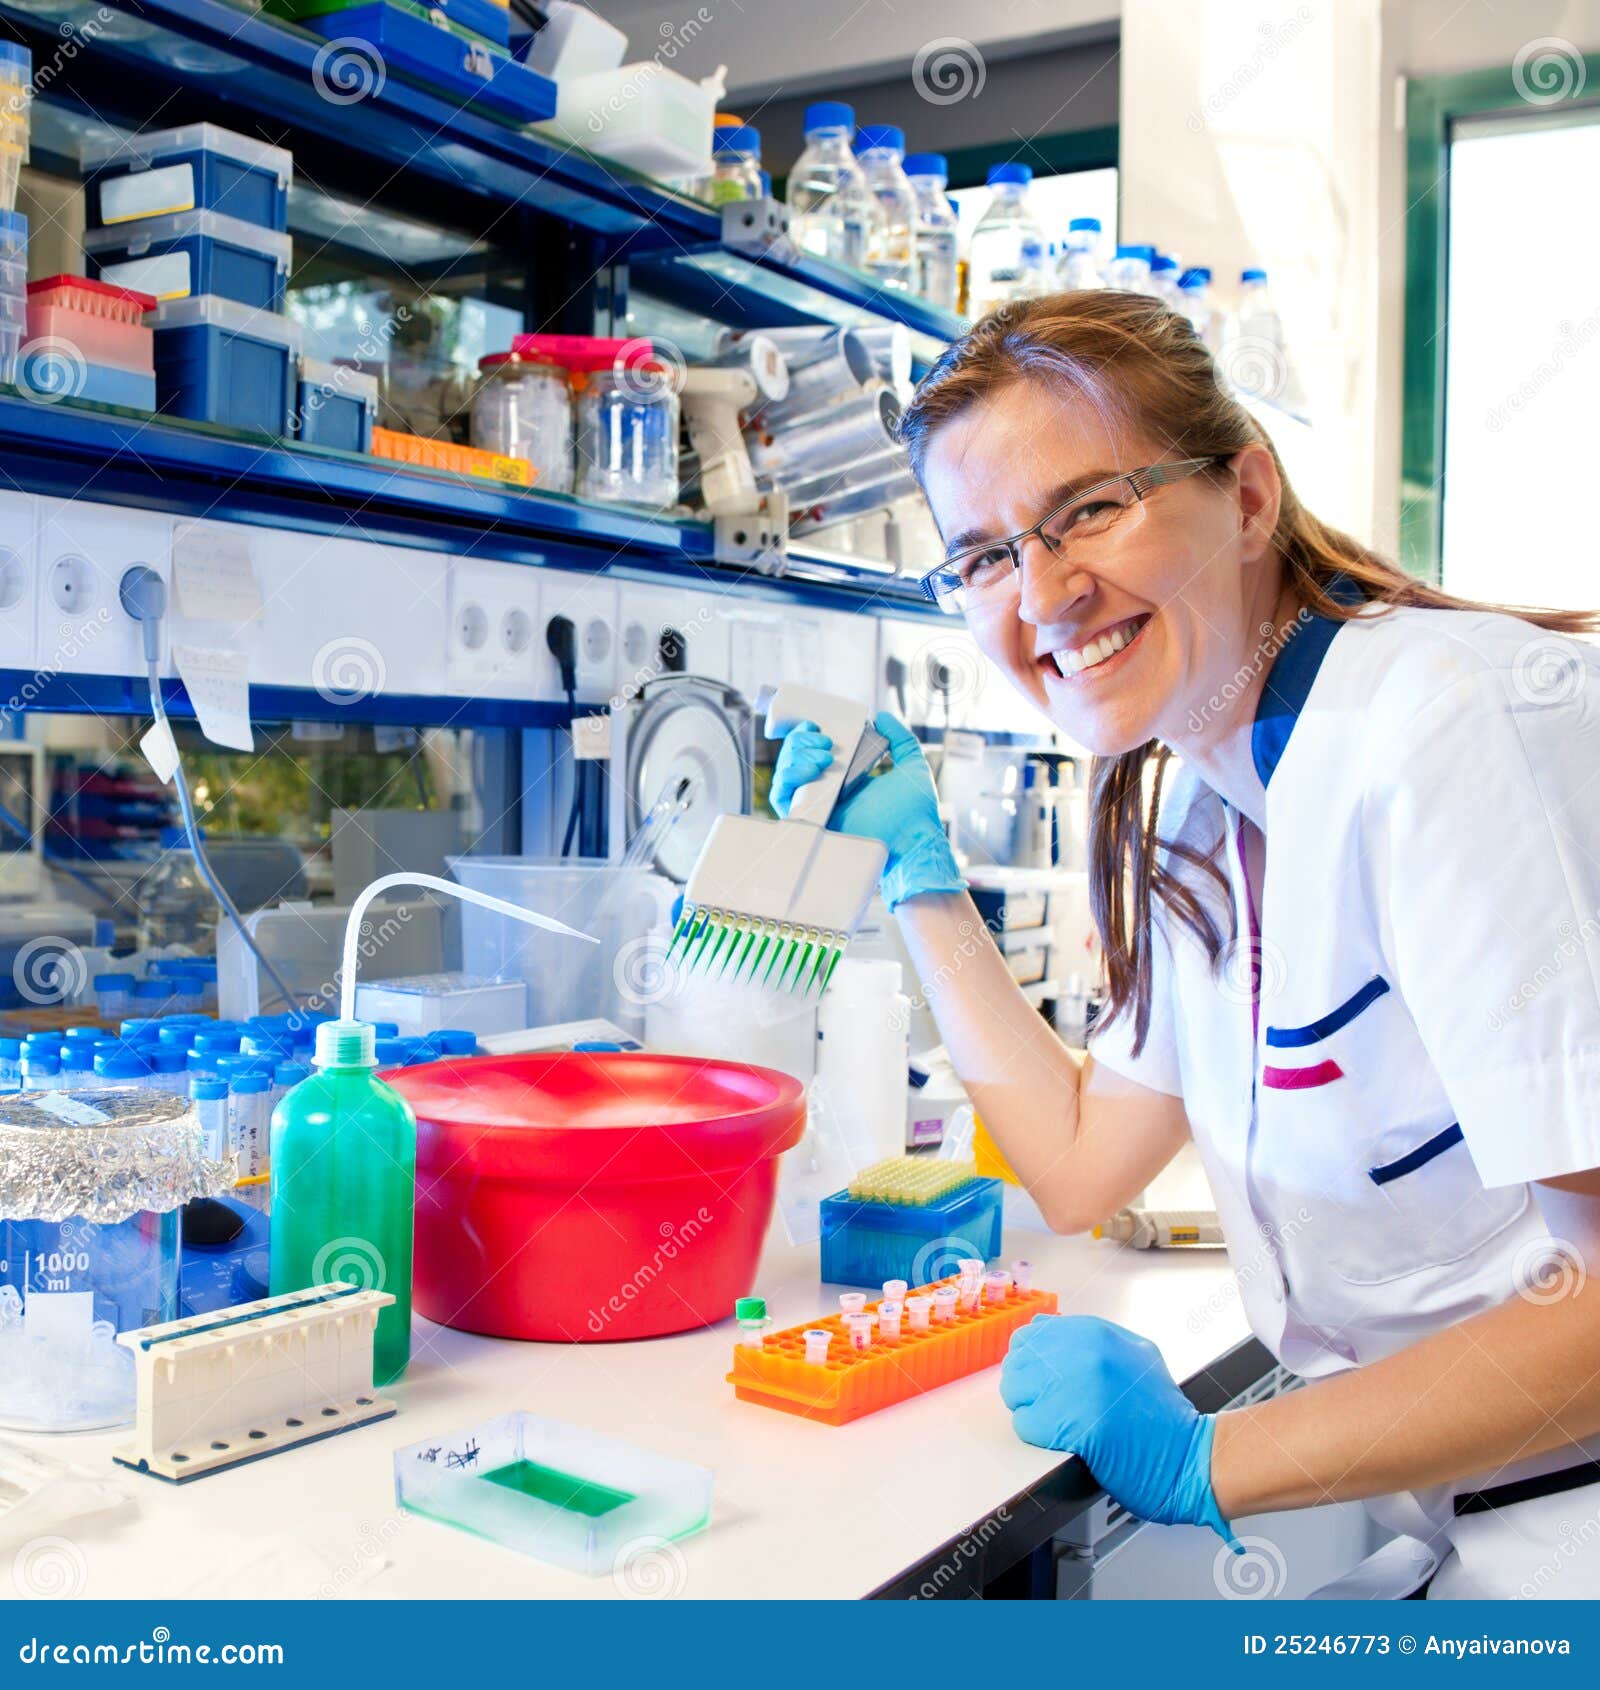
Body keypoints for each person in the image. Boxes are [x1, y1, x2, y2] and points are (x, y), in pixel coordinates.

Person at [769, 291, 1600, 1599]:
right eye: (984, 555)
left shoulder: (1441, 732)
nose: (1043, 592)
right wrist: (918, 878)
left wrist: (1209, 1460)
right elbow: (1082, 1163)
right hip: (1483, 1536)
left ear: (1250, 495)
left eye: (1089, 509)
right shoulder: (1212, 814)